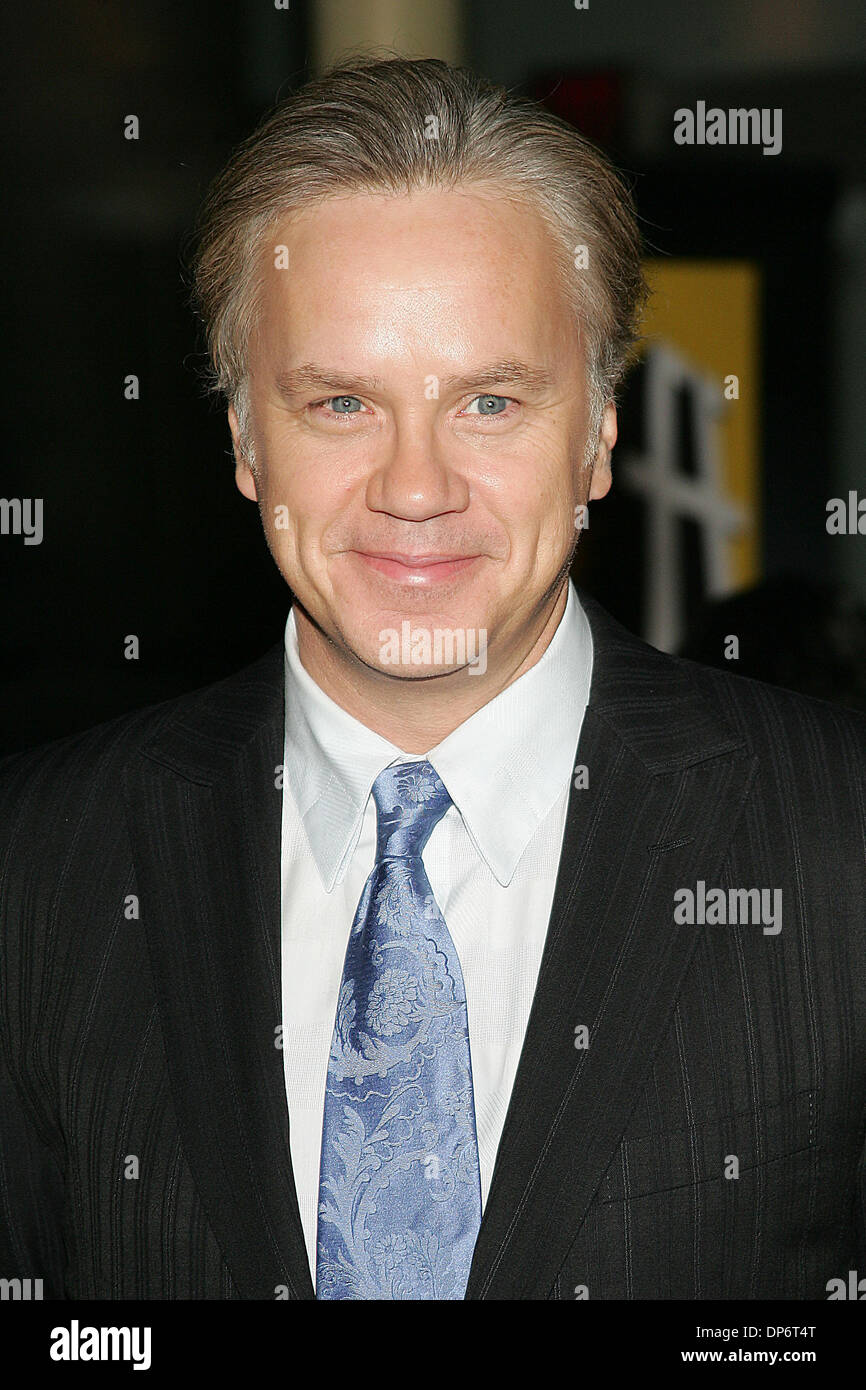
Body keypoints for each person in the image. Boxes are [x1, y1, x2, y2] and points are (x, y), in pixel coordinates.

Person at [1, 57, 864, 1302]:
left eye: (491, 400)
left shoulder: (837, 841)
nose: (414, 490)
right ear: (245, 435)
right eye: (341, 401)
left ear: (601, 431)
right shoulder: (38, 866)